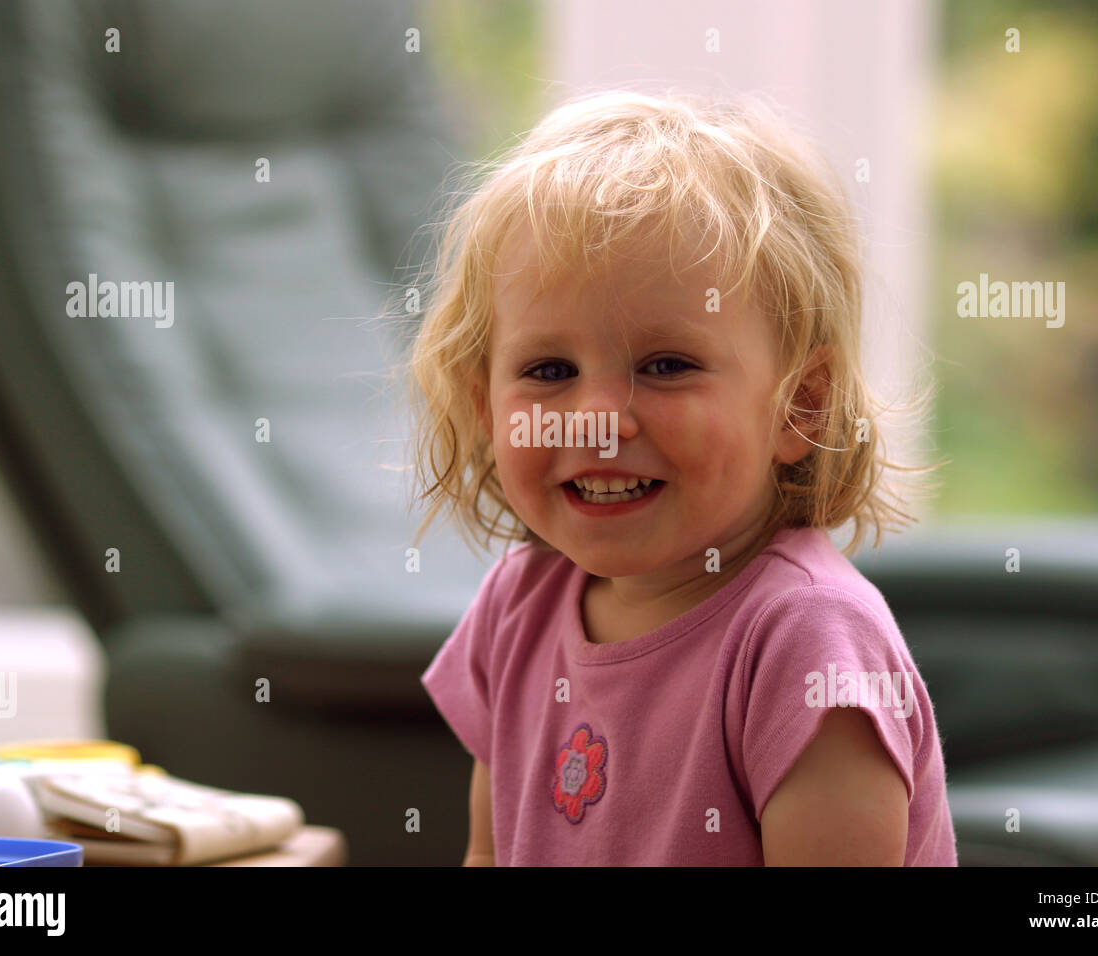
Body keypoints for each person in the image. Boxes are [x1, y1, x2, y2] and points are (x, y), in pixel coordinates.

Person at [408, 88, 956, 865]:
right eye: (549, 369)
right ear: (487, 407)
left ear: (801, 406)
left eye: (666, 366)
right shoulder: (517, 607)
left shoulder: (807, 644)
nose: (597, 419)